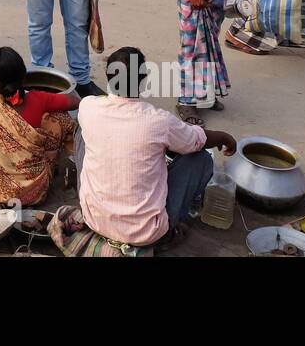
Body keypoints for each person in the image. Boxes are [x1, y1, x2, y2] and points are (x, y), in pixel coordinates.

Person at [52, 47, 236, 256]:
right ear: (143, 80)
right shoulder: (159, 120)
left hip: (94, 218)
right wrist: (223, 137)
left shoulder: (88, 107)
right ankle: (172, 228)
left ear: (109, 77)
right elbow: (197, 140)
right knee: (201, 159)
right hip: (146, 232)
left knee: (81, 132)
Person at [0, 46, 78, 204]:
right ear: (23, 76)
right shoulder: (38, 100)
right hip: (34, 193)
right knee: (59, 118)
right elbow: (75, 102)